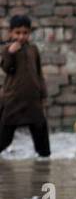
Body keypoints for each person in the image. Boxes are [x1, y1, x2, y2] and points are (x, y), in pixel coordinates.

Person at [0, 15, 51, 158]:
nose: (21, 36)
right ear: (10, 33)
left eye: (25, 33)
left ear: (29, 33)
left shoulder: (33, 49)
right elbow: (6, 68)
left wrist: (43, 94)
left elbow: (39, 73)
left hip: (33, 100)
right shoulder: (7, 50)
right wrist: (11, 53)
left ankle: (44, 157)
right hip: (13, 99)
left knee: (40, 129)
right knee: (5, 132)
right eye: (17, 33)